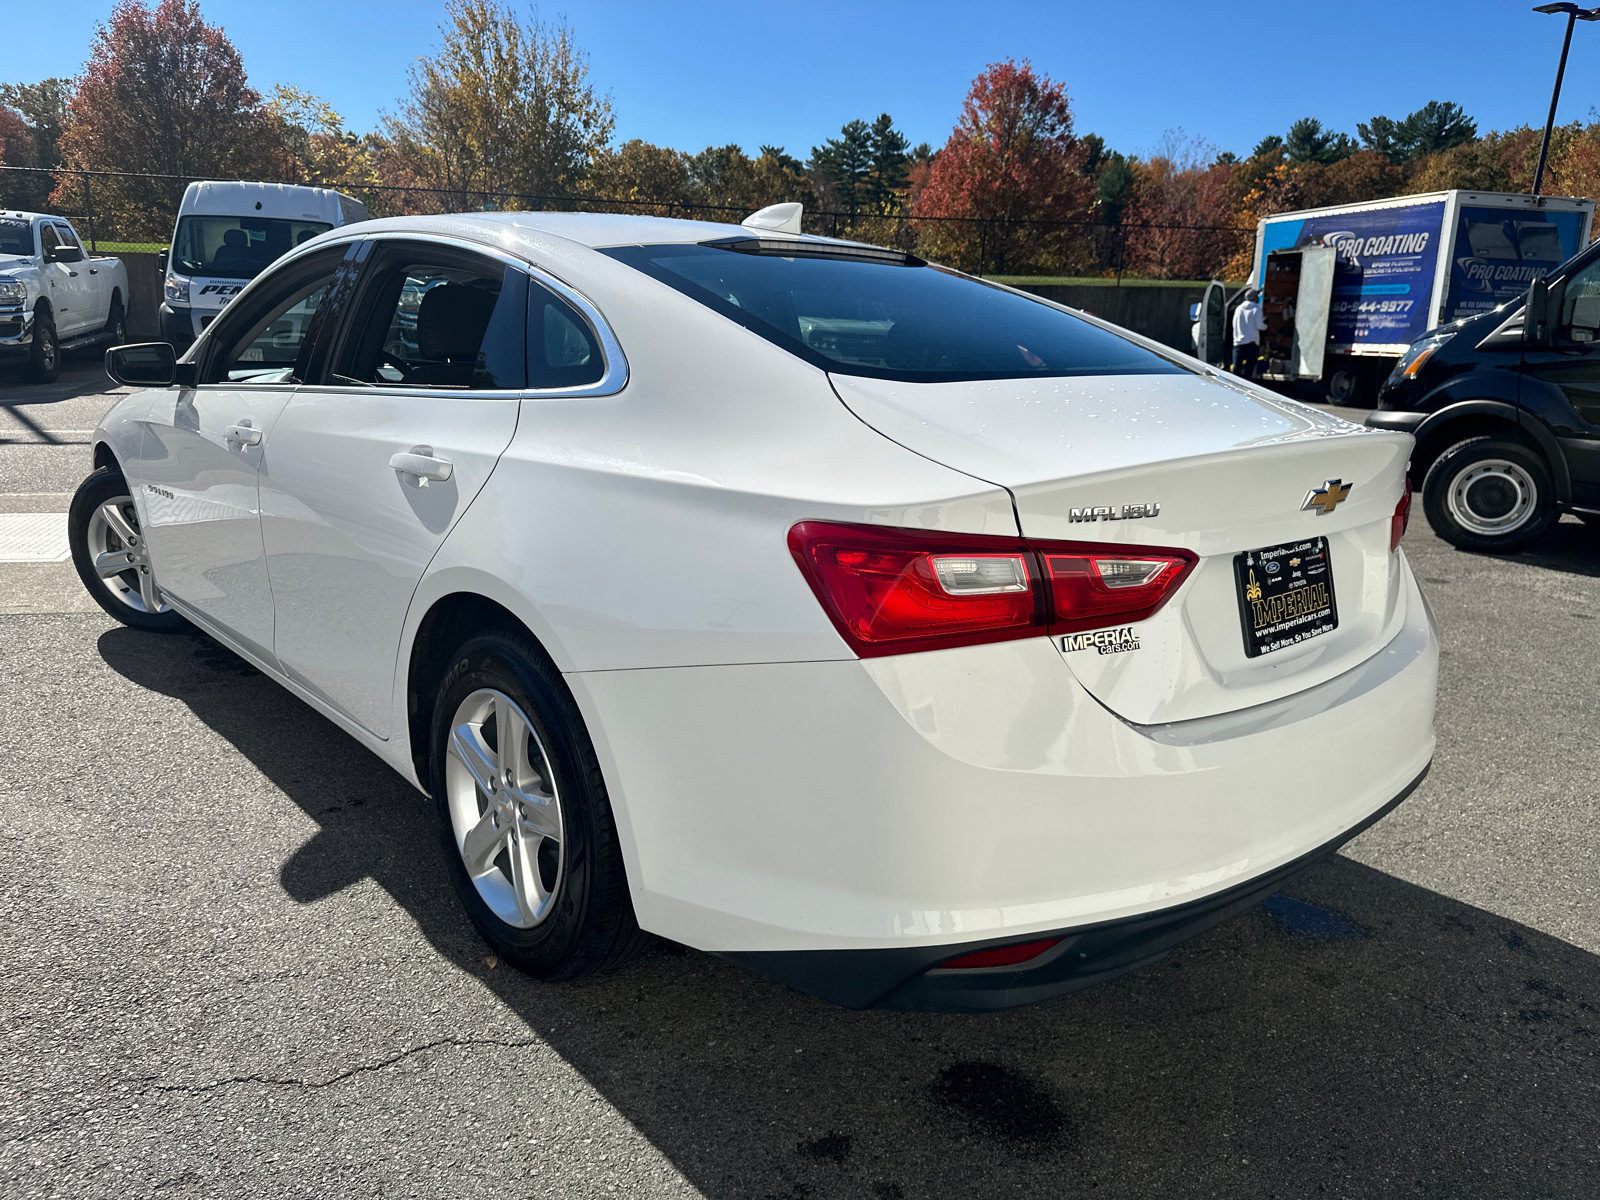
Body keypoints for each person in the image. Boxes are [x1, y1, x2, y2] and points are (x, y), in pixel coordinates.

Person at [1231, 288, 1264, 378]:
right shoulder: (1256, 309)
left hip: (1238, 343)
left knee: (1236, 368)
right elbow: (1259, 325)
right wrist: (1266, 325)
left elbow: (1234, 324)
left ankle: (1233, 385)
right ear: (1255, 298)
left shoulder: (1239, 309)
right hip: (1251, 344)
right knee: (1249, 369)